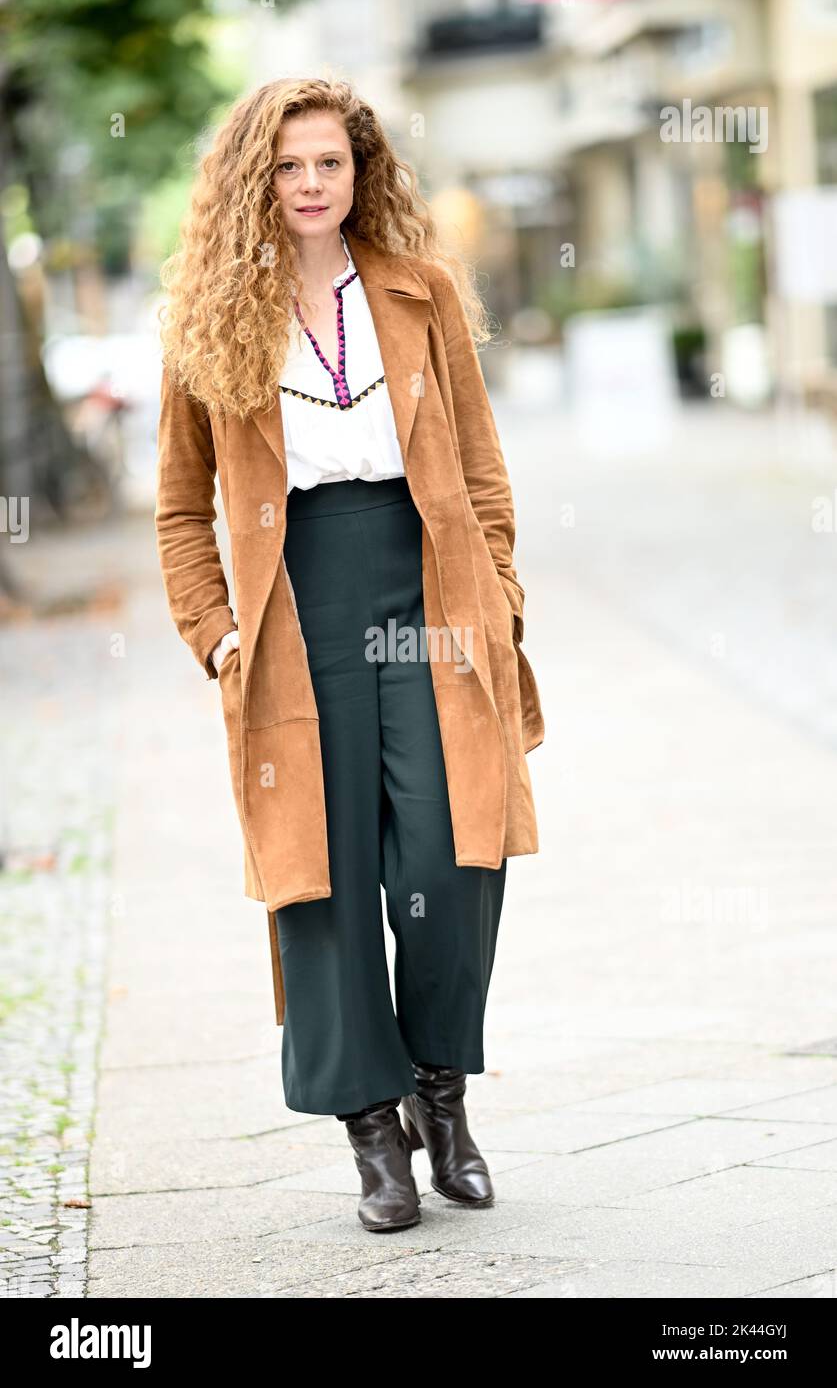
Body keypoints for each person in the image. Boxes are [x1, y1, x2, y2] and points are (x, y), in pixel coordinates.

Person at [155, 75, 544, 1233]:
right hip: (294, 607)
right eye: (288, 167)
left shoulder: (421, 294)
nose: (312, 185)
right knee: (320, 876)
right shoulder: (207, 322)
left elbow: (480, 465)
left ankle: (443, 1093)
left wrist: (504, 595)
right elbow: (181, 509)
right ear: (252, 183)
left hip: (429, 588)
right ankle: (373, 1131)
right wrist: (216, 632)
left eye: (330, 163)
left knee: (451, 851)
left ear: (360, 171)